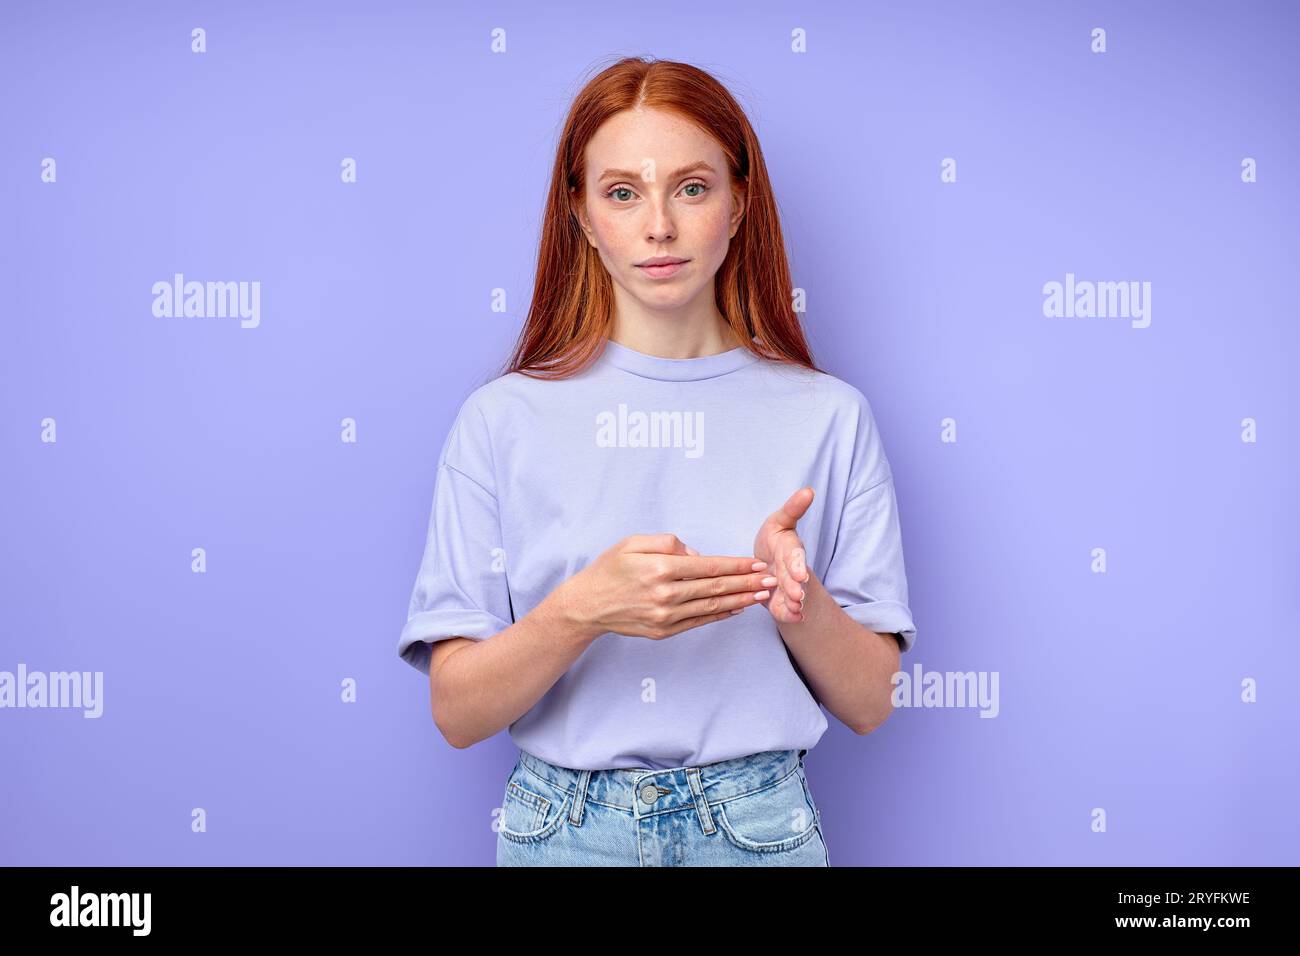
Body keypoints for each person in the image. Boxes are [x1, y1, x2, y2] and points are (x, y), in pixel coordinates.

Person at [397, 56, 917, 867]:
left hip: (758, 832)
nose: (660, 227)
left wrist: (798, 600)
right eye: (623, 192)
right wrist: (582, 610)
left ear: (740, 202)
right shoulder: (500, 421)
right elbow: (457, 713)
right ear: (581, 214)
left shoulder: (830, 416)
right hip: (559, 833)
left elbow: (874, 704)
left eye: (692, 187)